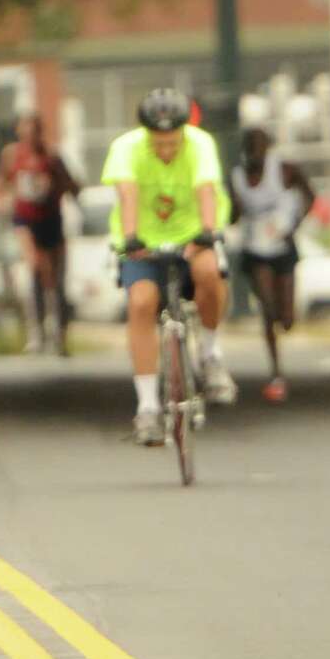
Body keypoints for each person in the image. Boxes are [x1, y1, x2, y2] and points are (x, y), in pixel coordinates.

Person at [101, 87, 237, 446]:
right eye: (158, 143)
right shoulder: (126, 148)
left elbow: (206, 189)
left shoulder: (200, 144)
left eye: (172, 142)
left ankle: (210, 354)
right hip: (143, 241)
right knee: (141, 302)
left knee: (209, 272)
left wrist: (207, 232)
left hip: (192, 235)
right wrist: (132, 238)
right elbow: (127, 193)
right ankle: (147, 407)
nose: (165, 150)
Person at [229, 128, 315, 402]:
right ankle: (276, 372)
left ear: (268, 148)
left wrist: (295, 223)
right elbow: (232, 216)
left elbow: (310, 195)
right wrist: (235, 209)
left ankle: (282, 314)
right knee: (268, 309)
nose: (256, 152)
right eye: (251, 147)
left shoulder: (286, 170)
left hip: (282, 246)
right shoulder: (237, 177)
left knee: (286, 320)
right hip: (255, 249)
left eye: (260, 146)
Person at [0, 114, 81, 355]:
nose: (29, 138)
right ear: (19, 132)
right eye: (25, 132)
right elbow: (3, 181)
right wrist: (0, 199)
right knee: (34, 267)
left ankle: (59, 333)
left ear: (40, 133)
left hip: (51, 219)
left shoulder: (52, 155)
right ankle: (36, 332)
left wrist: (63, 189)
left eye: (33, 132)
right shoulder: (12, 154)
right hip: (25, 220)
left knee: (56, 280)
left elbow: (70, 184)